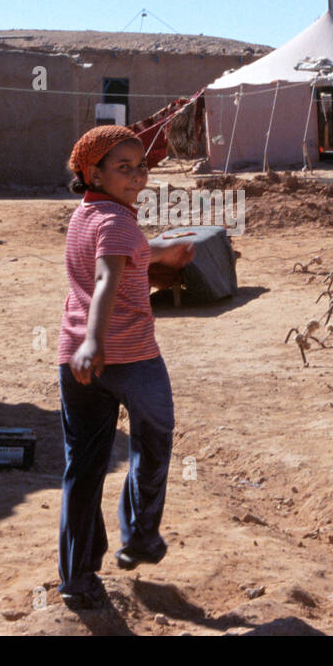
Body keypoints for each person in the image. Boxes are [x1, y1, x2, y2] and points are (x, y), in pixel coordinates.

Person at [55, 125, 195, 610]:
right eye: (124, 167)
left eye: (141, 166)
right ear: (93, 172)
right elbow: (107, 275)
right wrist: (96, 341)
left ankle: (76, 577)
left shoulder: (89, 215)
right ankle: (138, 536)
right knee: (153, 441)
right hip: (129, 357)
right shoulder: (117, 223)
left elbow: (120, 255)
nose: (137, 175)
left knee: (84, 467)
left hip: (75, 360)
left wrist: (162, 252)